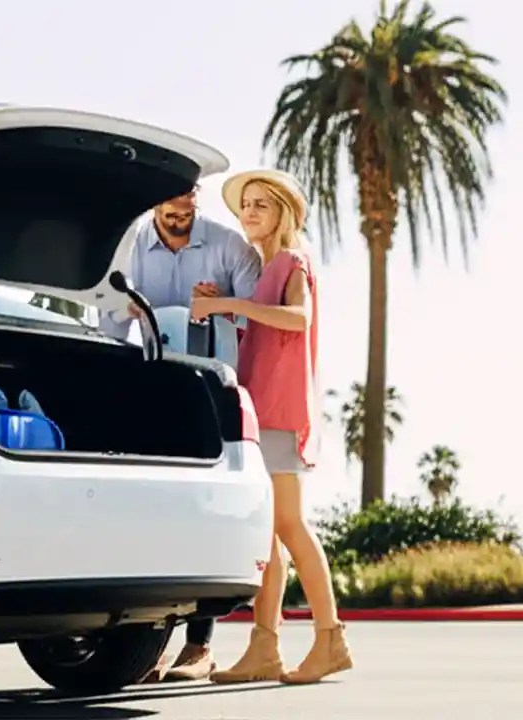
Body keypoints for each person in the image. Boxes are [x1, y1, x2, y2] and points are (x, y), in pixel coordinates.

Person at [191, 168, 352, 685]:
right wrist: (228, 303)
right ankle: (265, 647)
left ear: (283, 212)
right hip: (260, 410)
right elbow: (261, 331)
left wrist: (230, 304)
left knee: (288, 526)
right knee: (267, 537)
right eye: (246, 205)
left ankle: (330, 639)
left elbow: (297, 320)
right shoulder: (265, 269)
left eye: (262, 204)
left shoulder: (293, 261)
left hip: (280, 411)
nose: (251, 213)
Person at [101, 183, 262, 683]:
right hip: (148, 391)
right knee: (158, 512)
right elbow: (106, 312)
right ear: (154, 205)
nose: (177, 217)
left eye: (184, 208)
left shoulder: (228, 245)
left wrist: (223, 305)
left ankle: (200, 646)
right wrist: (128, 310)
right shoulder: (128, 246)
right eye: (168, 210)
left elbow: (258, 317)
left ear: (196, 199)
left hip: (210, 391)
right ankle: (154, 649)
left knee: (205, 509)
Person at [99, 183, 261, 346]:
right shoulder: (130, 248)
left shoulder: (232, 246)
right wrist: (126, 309)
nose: (180, 210)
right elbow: (109, 328)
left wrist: (220, 307)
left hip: (218, 365)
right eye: (172, 211)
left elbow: (257, 325)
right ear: (153, 200)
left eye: (188, 196)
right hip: (154, 363)